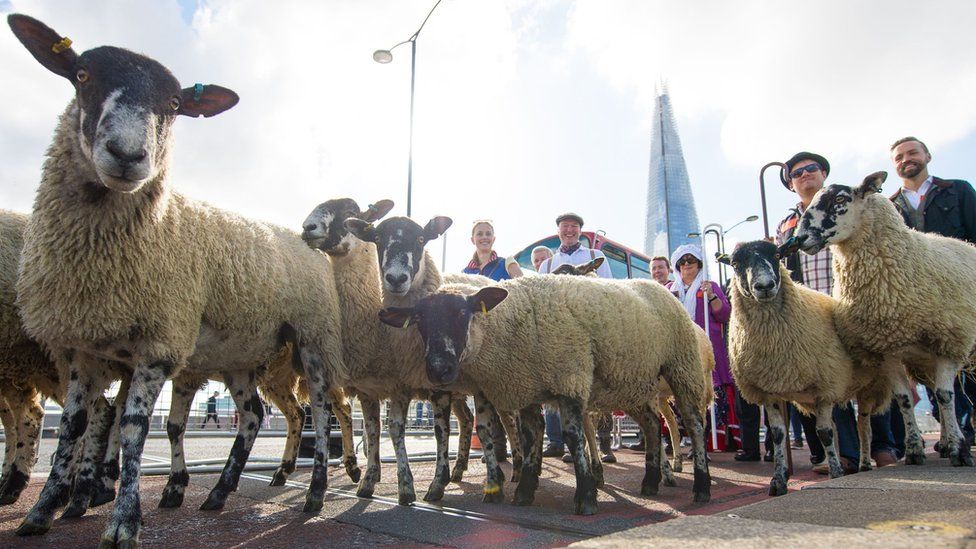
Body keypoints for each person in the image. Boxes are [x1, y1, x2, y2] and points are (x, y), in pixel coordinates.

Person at [774, 151, 860, 473]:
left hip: (847, 303)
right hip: (809, 313)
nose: (804, 175)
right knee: (811, 384)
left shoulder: (843, 205)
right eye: (797, 173)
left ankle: (874, 447)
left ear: (823, 173)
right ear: (791, 184)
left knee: (861, 377)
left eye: (811, 169)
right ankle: (824, 454)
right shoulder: (788, 224)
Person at [888, 136, 976, 451]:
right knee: (933, 363)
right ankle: (955, 430)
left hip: (960, 288)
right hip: (918, 297)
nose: (906, 159)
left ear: (927, 155)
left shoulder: (958, 190)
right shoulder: (890, 206)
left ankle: (965, 428)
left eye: (912, 153)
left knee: (967, 357)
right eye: (899, 156)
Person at [538, 213, 615, 462]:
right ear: (558, 231)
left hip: (591, 330)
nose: (569, 230)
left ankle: (604, 444)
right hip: (561, 335)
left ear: (580, 231)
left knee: (599, 384)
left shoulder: (595, 258)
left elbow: (611, 291)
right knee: (563, 386)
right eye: (564, 227)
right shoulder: (547, 265)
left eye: (573, 227)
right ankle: (571, 443)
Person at [667, 244, 734, 454]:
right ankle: (688, 440)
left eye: (691, 261)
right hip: (680, 349)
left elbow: (724, 315)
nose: (687, 265)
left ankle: (705, 441)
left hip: (706, 347)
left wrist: (712, 296)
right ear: (678, 266)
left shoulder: (709, 285)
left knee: (708, 395)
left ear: (699, 264)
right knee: (682, 395)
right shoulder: (670, 289)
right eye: (683, 262)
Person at [625, 255, 672, 452]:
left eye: (660, 267)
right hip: (651, 347)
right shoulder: (646, 292)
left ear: (668, 269)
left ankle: (671, 439)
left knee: (672, 394)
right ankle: (648, 438)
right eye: (654, 268)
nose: (657, 271)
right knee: (645, 393)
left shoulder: (673, 290)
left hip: (670, 344)